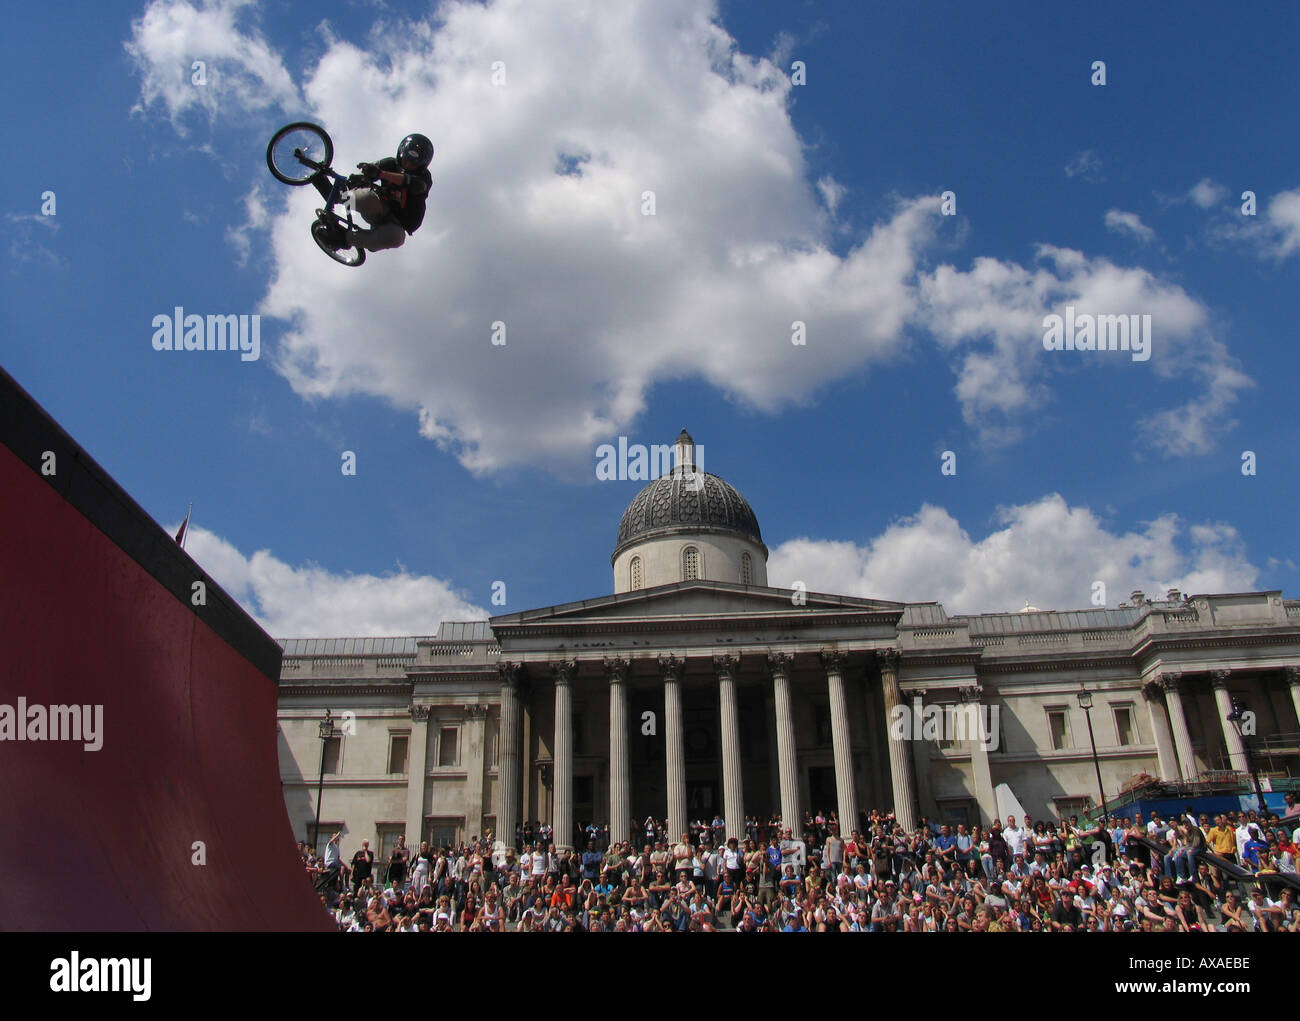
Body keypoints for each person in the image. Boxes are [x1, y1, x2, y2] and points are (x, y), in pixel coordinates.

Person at [312, 132, 434, 252]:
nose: (407, 164)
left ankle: (344, 239)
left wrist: (382, 174)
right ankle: (334, 195)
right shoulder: (390, 163)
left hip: (395, 224)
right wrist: (364, 175)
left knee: (397, 238)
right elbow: (370, 171)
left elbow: (413, 184)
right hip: (379, 208)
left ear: (421, 166)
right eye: (406, 159)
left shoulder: (424, 178)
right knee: (367, 198)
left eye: (413, 164)